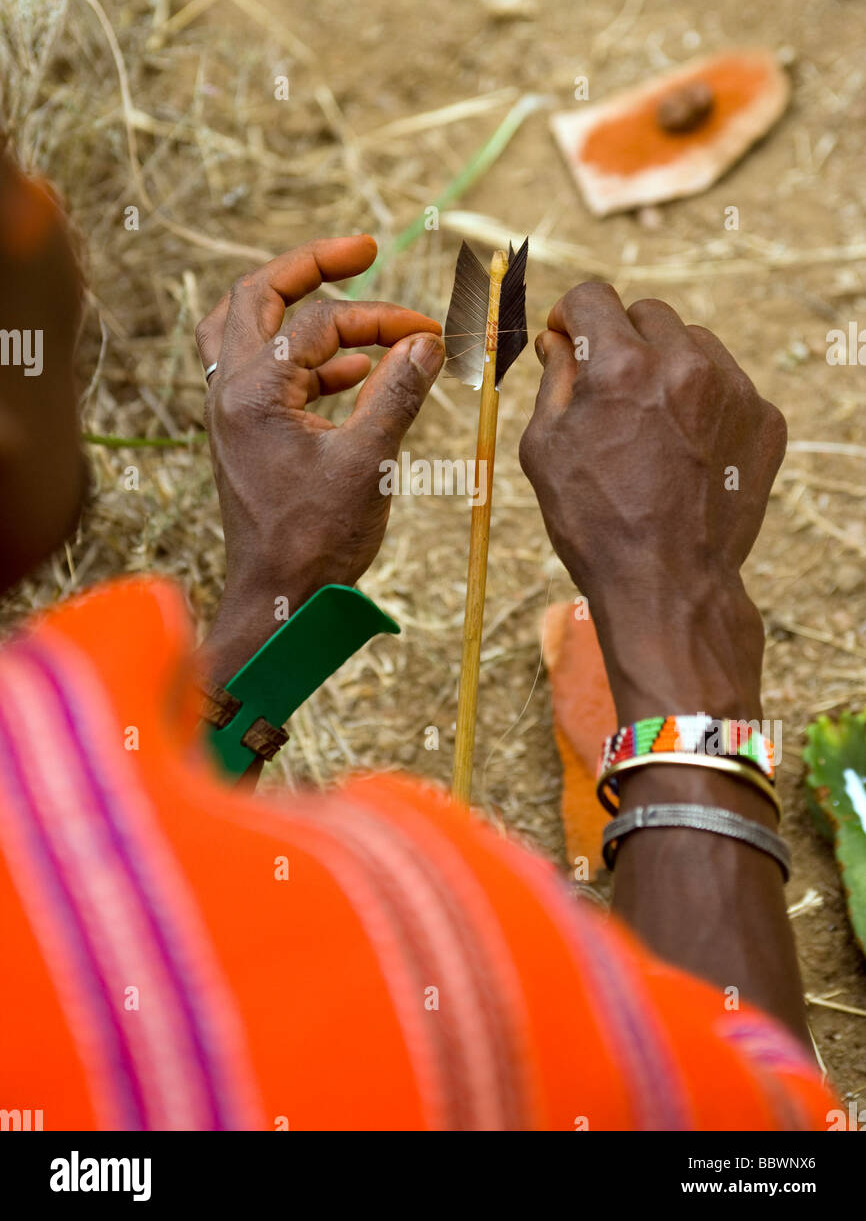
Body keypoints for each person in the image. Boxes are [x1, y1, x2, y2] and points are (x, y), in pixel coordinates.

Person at [0, 151, 836, 1130]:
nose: (53, 205)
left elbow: (116, 878)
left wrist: (274, 591)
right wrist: (675, 615)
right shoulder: (399, 955)